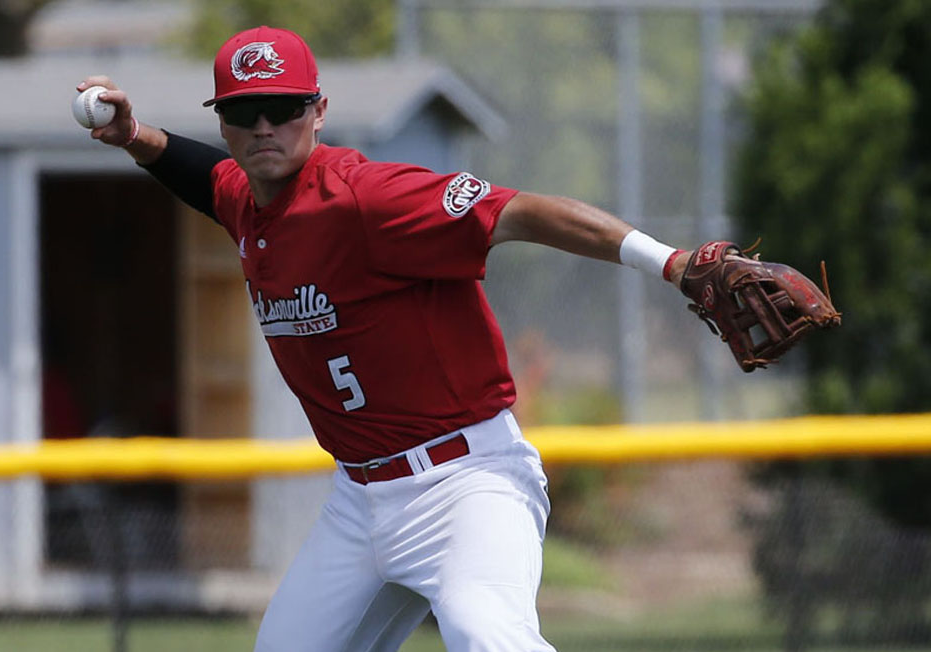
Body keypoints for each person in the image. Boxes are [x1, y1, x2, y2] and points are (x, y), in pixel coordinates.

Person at [77, 25, 693, 652]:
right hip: (357, 500)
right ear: (223, 123)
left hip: (465, 483)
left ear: (318, 112)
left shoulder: (366, 197)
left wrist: (672, 263)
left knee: (485, 634)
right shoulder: (246, 200)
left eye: (284, 109)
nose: (264, 127)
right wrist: (133, 135)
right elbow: (202, 175)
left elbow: (522, 212)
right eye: (245, 111)